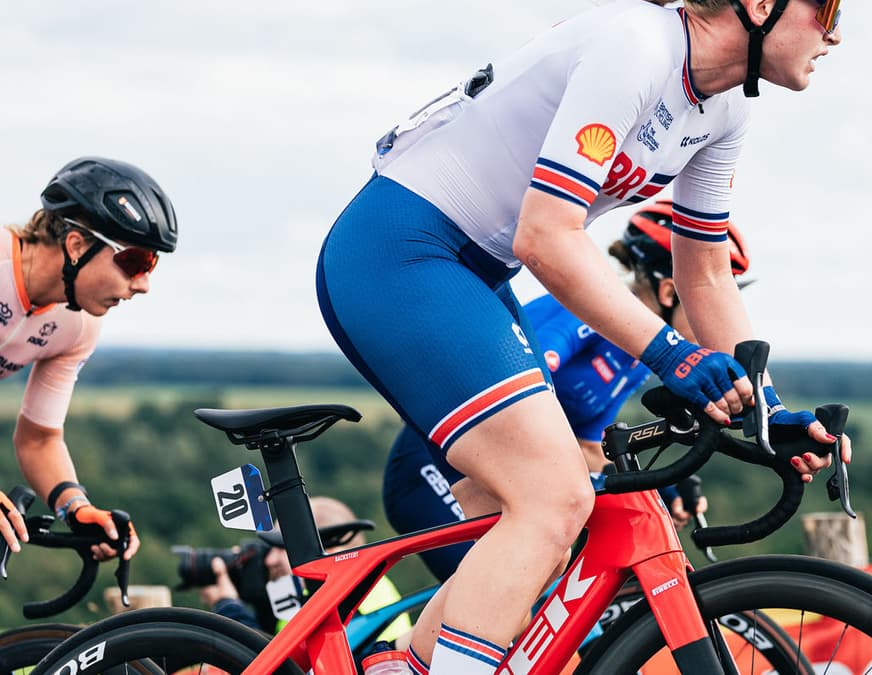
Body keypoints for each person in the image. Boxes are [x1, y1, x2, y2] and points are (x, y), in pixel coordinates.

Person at [315, 1, 847, 672]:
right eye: (826, 7)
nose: (835, 33)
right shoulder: (638, 48)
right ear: (761, 4)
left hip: (473, 266)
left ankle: (404, 666)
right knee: (553, 495)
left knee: (532, 521)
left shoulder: (725, 107)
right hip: (402, 251)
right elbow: (545, 237)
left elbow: (705, 272)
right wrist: (671, 353)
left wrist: (766, 407)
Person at [381, 200, 747, 582]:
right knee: (509, 604)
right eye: (707, 302)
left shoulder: (634, 362)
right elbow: (512, 397)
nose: (715, 320)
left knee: (542, 600)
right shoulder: (585, 318)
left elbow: (588, 448)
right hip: (438, 468)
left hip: (505, 475)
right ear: (670, 292)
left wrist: (660, 486)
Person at [0, 157, 177, 562]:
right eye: (135, 261)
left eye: (153, 265)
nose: (144, 284)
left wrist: (74, 506)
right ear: (78, 244)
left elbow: (39, 438)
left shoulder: (77, 326)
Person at [199, 496, 412, 641]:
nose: (269, 560)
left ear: (332, 547)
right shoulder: (368, 584)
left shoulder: (347, 596)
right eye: (270, 548)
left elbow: (278, 666)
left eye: (283, 548)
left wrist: (229, 607)